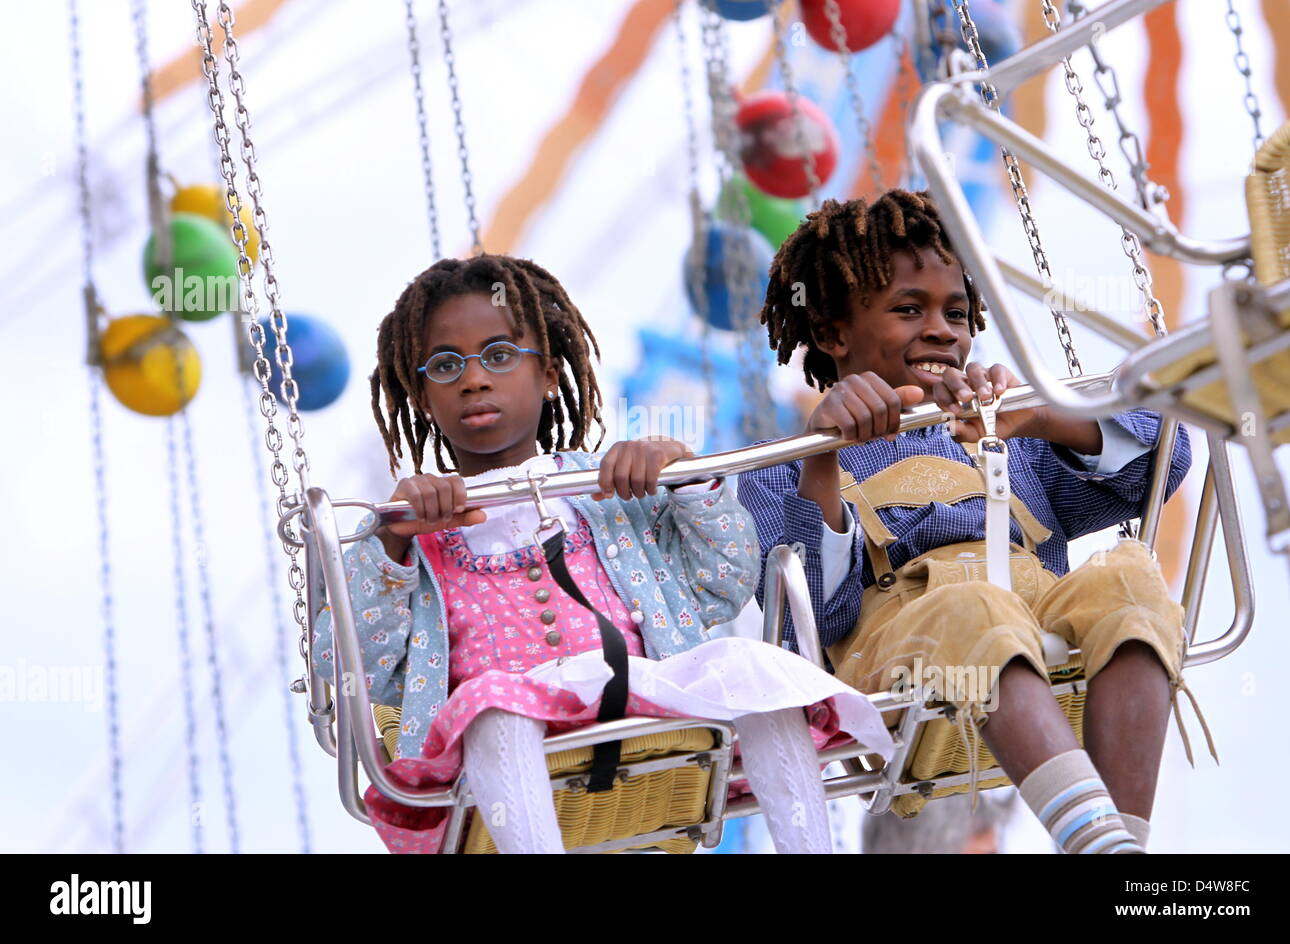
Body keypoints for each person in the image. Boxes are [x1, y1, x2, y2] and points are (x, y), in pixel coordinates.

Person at [311, 254, 891, 854]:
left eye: (501, 355)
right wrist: (393, 541)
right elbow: (354, 666)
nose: (474, 378)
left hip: (644, 690)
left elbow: (727, 579)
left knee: (755, 665)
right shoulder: (417, 528)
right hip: (514, 720)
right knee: (486, 704)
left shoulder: (606, 486)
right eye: (447, 365)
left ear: (551, 375)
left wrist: (684, 478)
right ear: (423, 395)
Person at [737, 191, 1199, 855]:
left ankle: (1123, 845)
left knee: (1130, 578)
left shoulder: (1012, 435)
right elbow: (820, 616)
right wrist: (824, 459)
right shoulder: (783, 465)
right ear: (836, 333)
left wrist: (1037, 415)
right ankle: (1091, 840)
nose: (943, 329)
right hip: (902, 646)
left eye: (956, 312)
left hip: (1031, 612)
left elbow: (1163, 460)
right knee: (973, 604)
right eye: (909, 309)